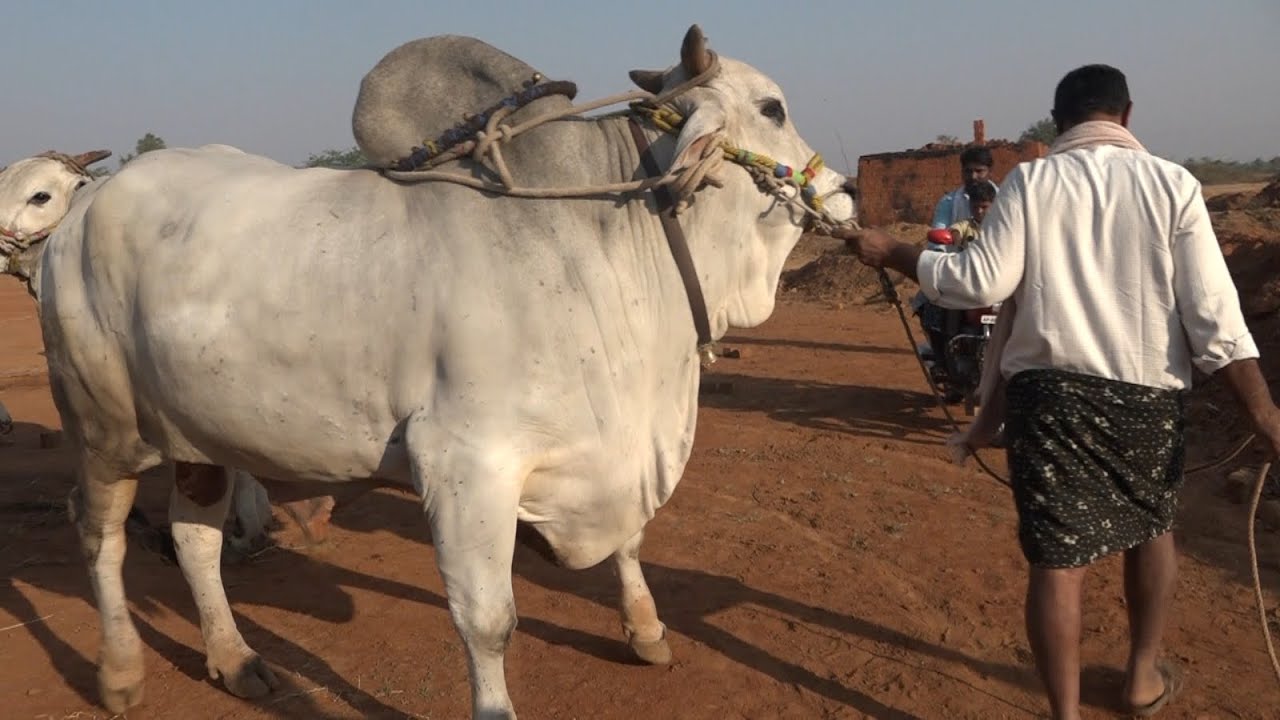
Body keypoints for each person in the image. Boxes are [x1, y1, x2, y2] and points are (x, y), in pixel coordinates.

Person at [834, 63, 1280, 719]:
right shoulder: (1174, 185)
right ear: (1126, 115)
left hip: (1051, 403)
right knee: (1152, 531)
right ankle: (1139, 682)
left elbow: (976, 283)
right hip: (1147, 401)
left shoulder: (1031, 182)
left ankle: (1064, 714)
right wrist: (1264, 413)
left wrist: (890, 251)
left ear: (1059, 121)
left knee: (1056, 562)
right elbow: (1216, 320)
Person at [912, 180, 998, 401]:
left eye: (985, 207)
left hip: (998, 287)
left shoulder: (1003, 228)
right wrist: (952, 239)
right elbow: (953, 233)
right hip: (968, 285)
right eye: (976, 207)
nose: (980, 211)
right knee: (945, 308)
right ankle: (946, 363)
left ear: (994, 205)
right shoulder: (965, 225)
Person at [931, 145, 999, 229]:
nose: (973, 176)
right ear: (962, 172)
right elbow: (938, 235)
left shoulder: (1004, 200)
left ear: (990, 172)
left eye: (979, 171)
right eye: (968, 171)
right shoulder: (949, 203)